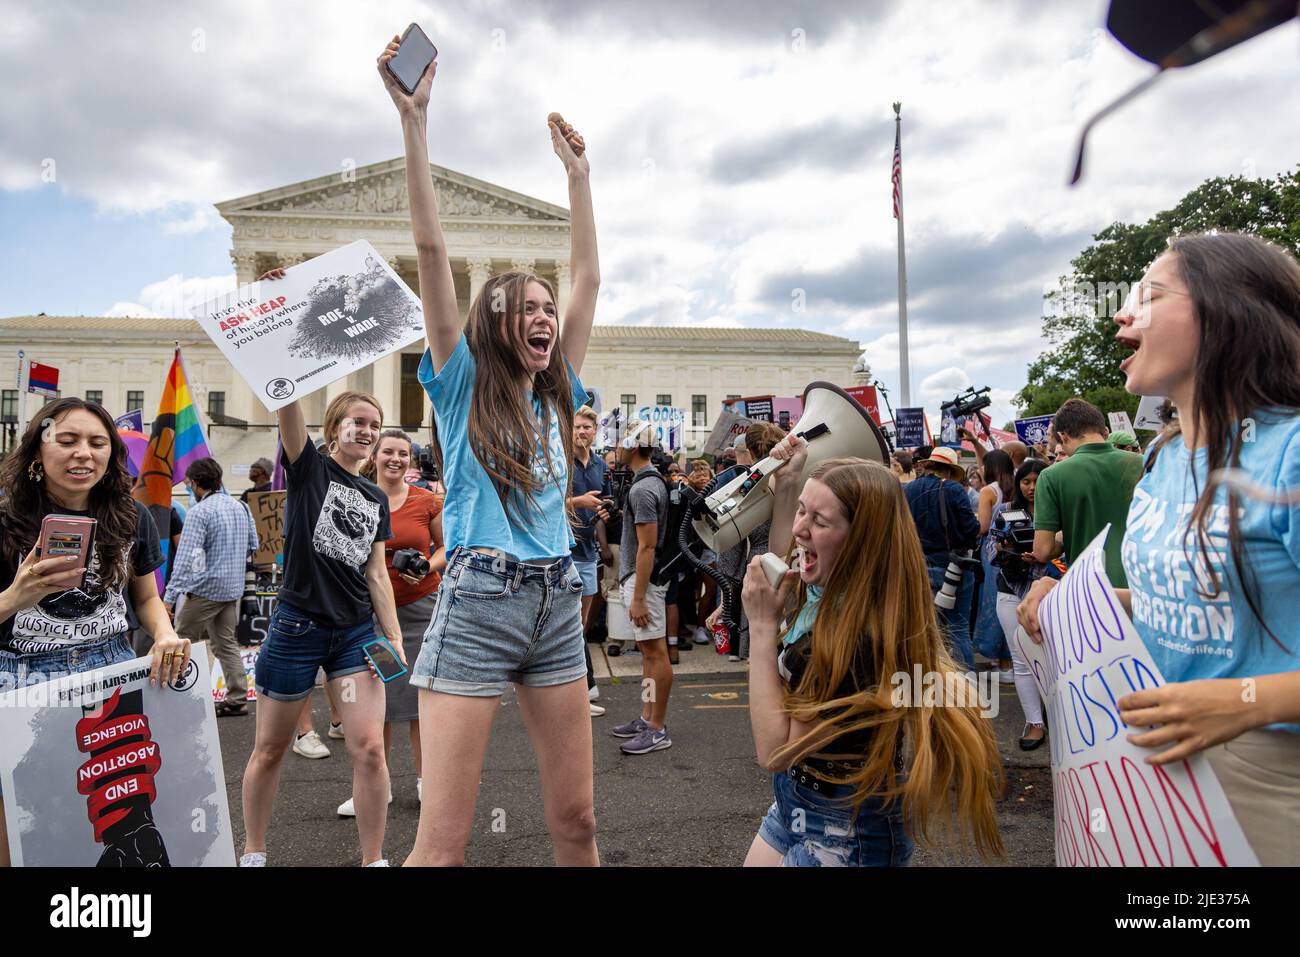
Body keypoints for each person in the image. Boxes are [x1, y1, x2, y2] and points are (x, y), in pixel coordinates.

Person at [380, 35, 601, 867]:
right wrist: (416, 122)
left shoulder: (558, 387)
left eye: (548, 306)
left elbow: (587, 280)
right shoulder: (460, 378)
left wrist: (578, 180)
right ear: (494, 323)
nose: (545, 314)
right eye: (525, 306)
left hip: (555, 598)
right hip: (477, 597)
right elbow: (433, 253)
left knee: (576, 820)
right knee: (445, 841)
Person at [1021, 231, 1300, 865]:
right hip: (1155, 789)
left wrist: (1241, 702)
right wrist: (1081, 603)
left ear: (1227, 310)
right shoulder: (1163, 458)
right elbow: (1176, 603)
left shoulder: (1290, 452)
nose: (1121, 313)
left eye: (1148, 296)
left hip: (1267, 790)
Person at [742, 438, 1003, 866]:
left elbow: (774, 751)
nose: (799, 529)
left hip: (842, 827)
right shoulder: (843, 592)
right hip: (798, 800)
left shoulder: (854, 636)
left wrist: (762, 627)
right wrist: (788, 485)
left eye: (819, 520)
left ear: (860, 539)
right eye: (801, 511)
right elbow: (789, 548)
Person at [0, 398, 191, 868]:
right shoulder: (5, 521)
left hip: (112, 675)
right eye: (66, 441)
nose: (82, 453)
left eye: (96, 442)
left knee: (117, 813)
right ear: (37, 453)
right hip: (22, 684)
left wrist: (164, 634)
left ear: (111, 456)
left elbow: (146, 599)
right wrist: (13, 598)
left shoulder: (132, 516)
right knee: (22, 818)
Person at [238, 376, 403, 868]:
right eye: (358, 422)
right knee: (270, 749)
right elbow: (286, 408)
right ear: (334, 428)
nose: (368, 431)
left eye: (374, 425)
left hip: (354, 636)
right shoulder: (309, 469)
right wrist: (283, 368)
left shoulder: (376, 497)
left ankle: (374, 859)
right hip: (296, 630)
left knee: (370, 749)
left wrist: (391, 636)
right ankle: (253, 850)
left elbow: (376, 572)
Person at [332, 429, 444, 816]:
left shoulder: (426, 500)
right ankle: (373, 785)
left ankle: (425, 782)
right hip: (375, 614)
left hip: (421, 609)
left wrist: (427, 565)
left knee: (419, 701)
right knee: (376, 699)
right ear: (374, 456)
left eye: (404, 454)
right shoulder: (357, 496)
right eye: (389, 452)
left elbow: (450, 546)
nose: (396, 459)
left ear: (411, 461)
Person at [163, 457, 259, 717]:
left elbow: (185, 558)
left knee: (179, 641)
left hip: (205, 589)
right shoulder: (240, 507)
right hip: (231, 588)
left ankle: (173, 695)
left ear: (194, 484)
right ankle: (238, 697)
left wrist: (169, 598)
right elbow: (253, 545)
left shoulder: (199, 512)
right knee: (225, 643)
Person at [609, 420, 676, 753]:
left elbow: (648, 547)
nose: (615, 449)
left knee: (655, 653)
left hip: (645, 581)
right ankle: (648, 716)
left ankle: (657, 727)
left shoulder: (643, 488)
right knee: (649, 655)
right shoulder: (647, 483)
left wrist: (638, 598)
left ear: (633, 447)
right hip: (642, 580)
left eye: (620, 443)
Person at [1029, 398, 1143, 586]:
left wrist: (1071, 530)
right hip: (1144, 586)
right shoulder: (1145, 462)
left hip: (1089, 590)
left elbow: (1042, 551)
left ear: (1063, 436)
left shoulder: (1051, 476)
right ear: (1105, 432)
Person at [989, 459, 1055, 750]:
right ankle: (1034, 722)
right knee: (1020, 658)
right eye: (1026, 482)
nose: (1031, 487)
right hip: (1011, 590)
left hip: (1049, 592)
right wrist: (1006, 549)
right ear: (1018, 484)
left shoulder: (1054, 509)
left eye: (1037, 480)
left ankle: (1059, 717)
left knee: (1054, 657)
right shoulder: (1004, 511)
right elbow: (990, 553)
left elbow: (1064, 551)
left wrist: (1047, 554)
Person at [903, 447, 980, 670]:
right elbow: (971, 529)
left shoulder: (909, 489)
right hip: (954, 567)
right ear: (949, 469)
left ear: (929, 466)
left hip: (919, 566)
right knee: (958, 627)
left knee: (924, 630)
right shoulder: (955, 490)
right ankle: (967, 690)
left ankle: (929, 685)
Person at [567, 405, 610, 717]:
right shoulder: (560, 461)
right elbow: (544, 502)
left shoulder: (598, 465)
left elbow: (599, 509)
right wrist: (576, 502)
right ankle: (579, 691)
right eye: (578, 427)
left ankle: (581, 689)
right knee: (568, 627)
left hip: (587, 552)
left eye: (587, 428)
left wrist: (604, 513)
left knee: (580, 628)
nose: (582, 432)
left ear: (595, 432)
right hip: (563, 552)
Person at [972, 449, 1016, 683]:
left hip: (994, 552)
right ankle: (1008, 660)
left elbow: (983, 526)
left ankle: (1004, 664)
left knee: (993, 602)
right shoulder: (1018, 484)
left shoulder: (988, 491)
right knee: (1011, 601)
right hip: (1015, 551)